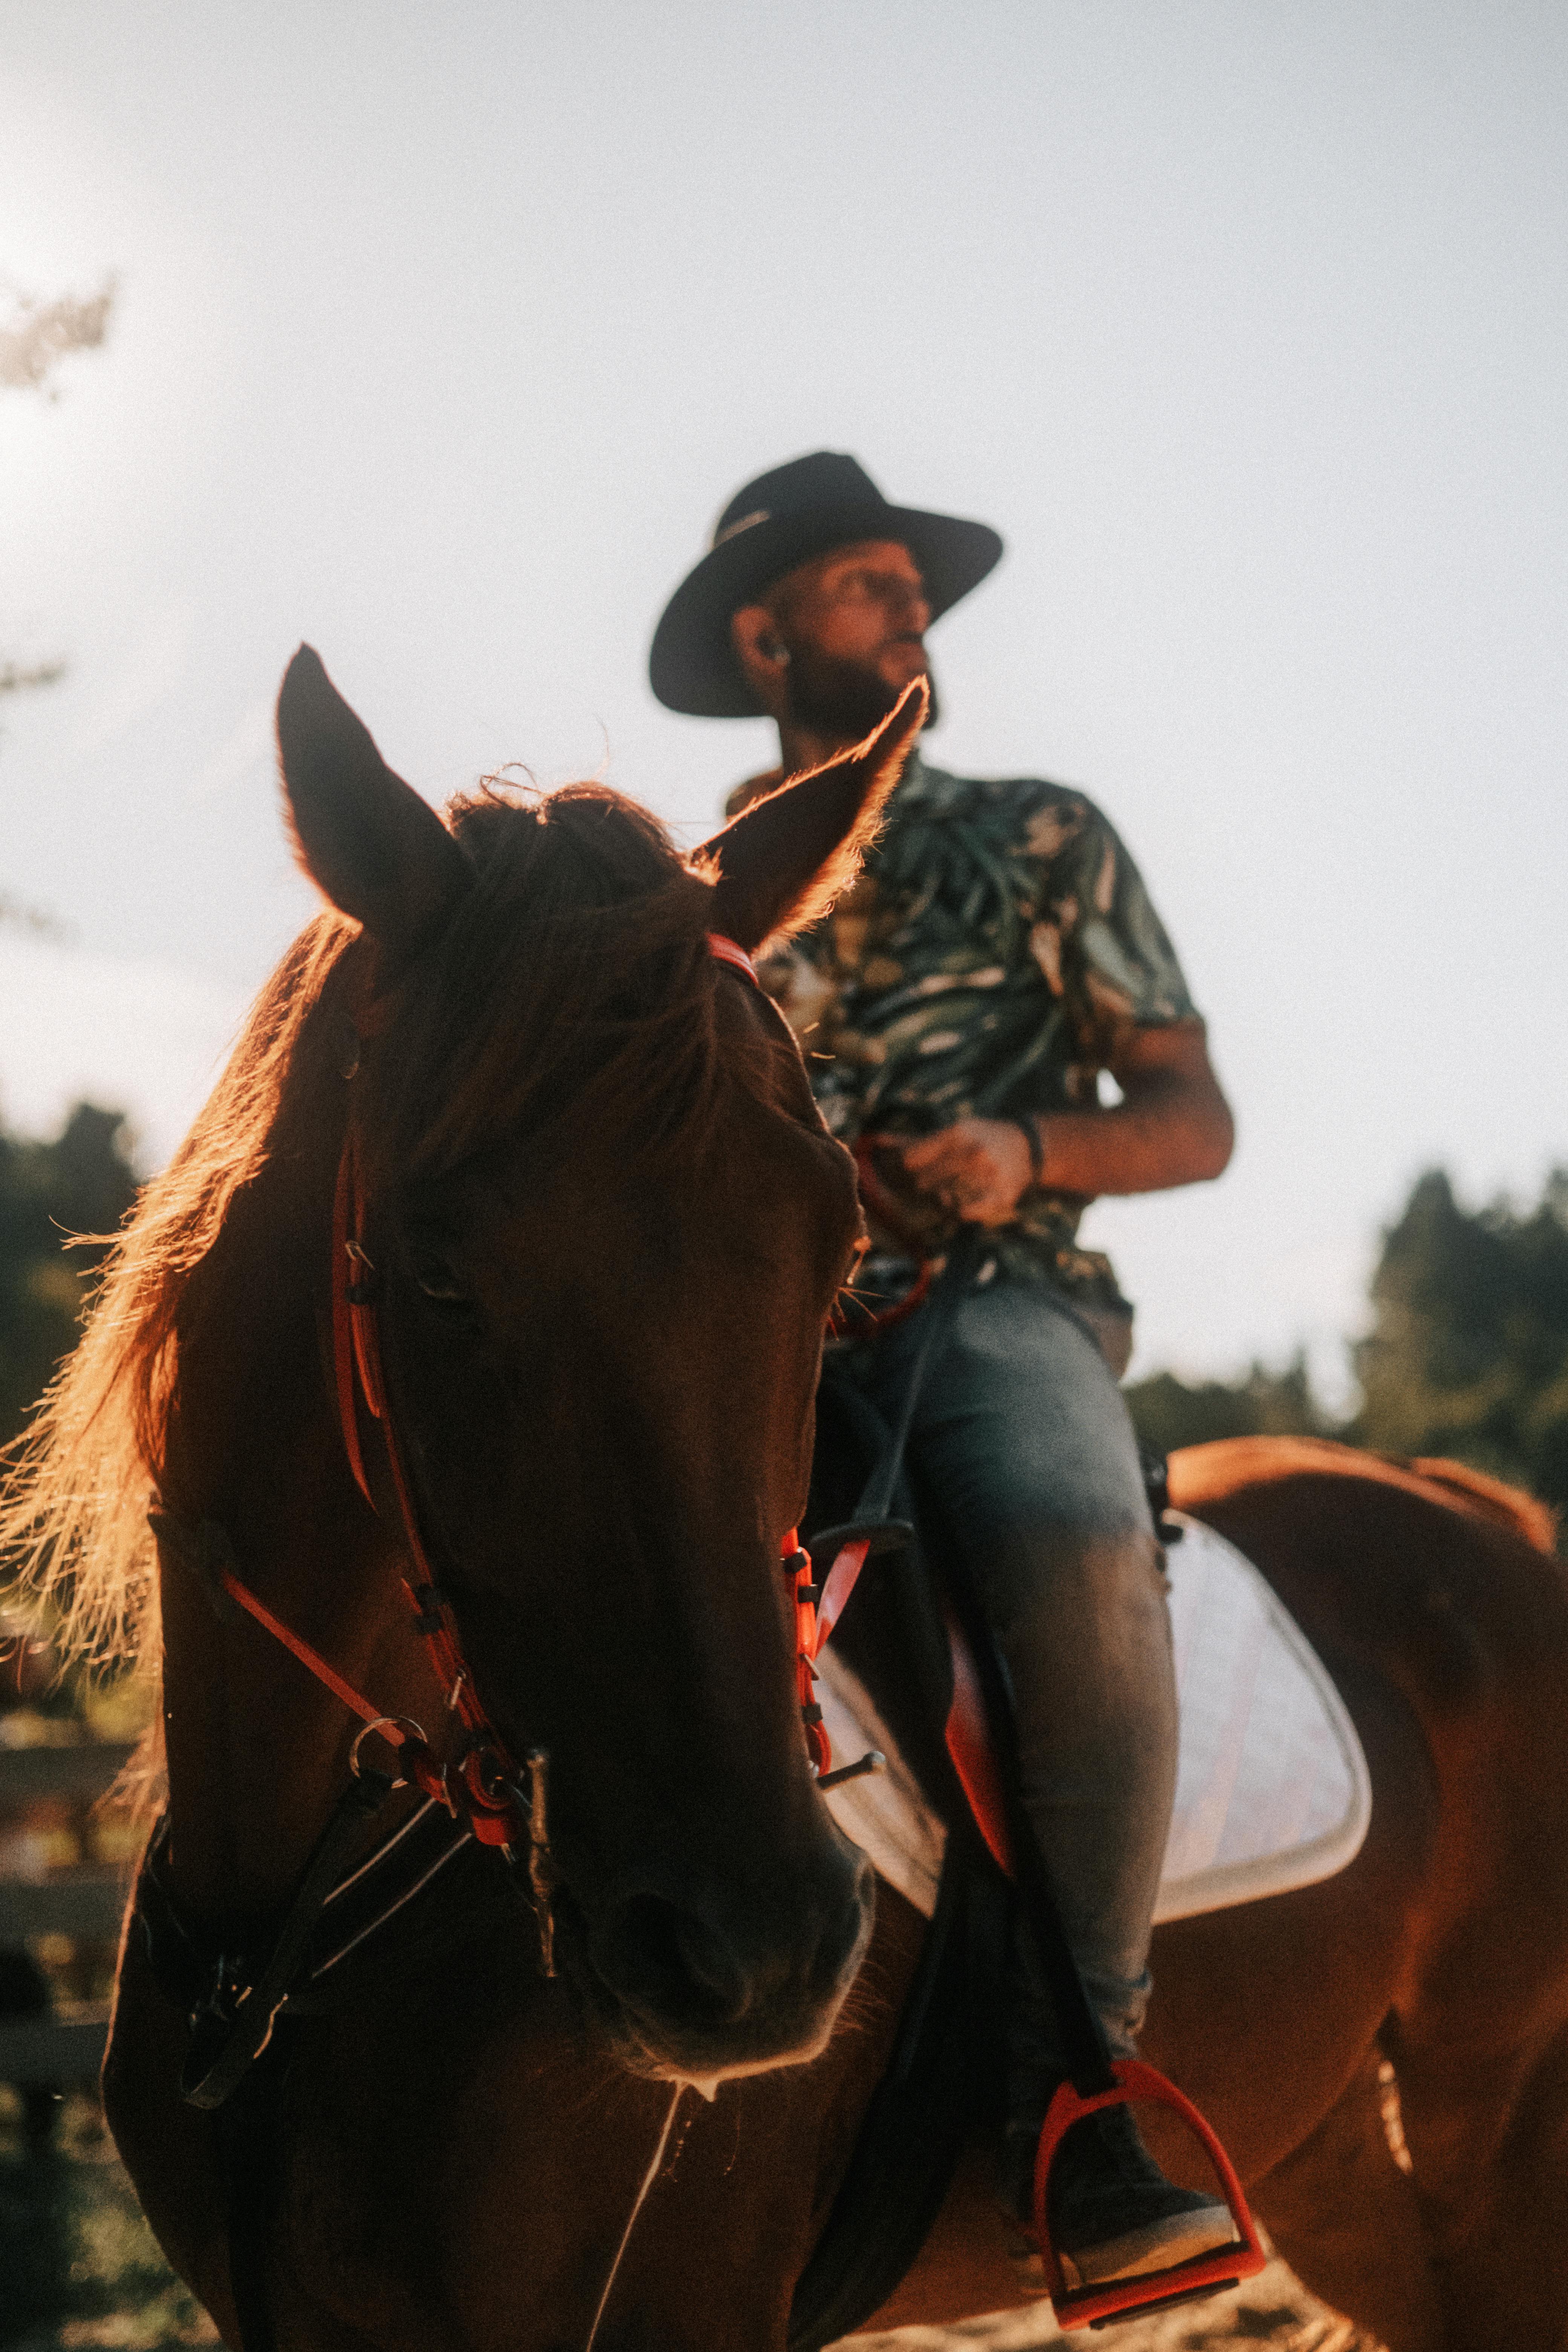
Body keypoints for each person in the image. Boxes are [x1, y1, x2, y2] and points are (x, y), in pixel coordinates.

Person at [650, 453, 1237, 2289]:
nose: (913, 610)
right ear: (766, 642)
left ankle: (1083, 2095)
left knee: (1069, 1535)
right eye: (866, 586)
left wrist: (1025, 1149)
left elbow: (1193, 1117)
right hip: (759, 1318)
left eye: (915, 586)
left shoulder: (1042, 836)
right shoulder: (692, 894)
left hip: (993, 1299)